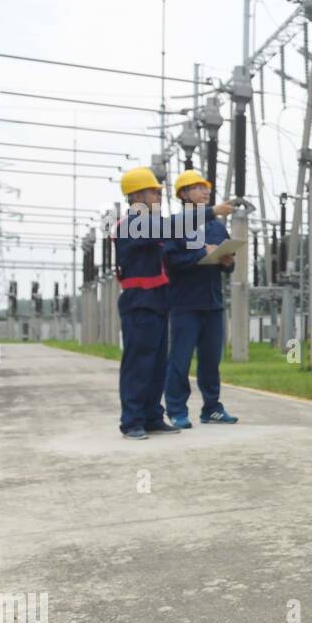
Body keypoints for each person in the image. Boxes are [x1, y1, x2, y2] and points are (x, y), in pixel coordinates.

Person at [162, 169, 239, 427]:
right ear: (184, 194)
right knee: (180, 360)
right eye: (197, 188)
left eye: (206, 188)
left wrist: (227, 262)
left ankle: (212, 408)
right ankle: (176, 410)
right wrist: (200, 254)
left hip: (212, 303)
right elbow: (171, 262)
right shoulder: (175, 225)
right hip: (185, 303)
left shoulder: (217, 227)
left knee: (210, 360)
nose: (205, 191)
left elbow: (228, 267)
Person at [114, 167, 181, 439]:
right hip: (139, 300)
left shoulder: (152, 225)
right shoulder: (131, 223)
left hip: (157, 299)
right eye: (154, 191)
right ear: (137, 194)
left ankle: (152, 415)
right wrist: (209, 213)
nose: (158, 196)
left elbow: (174, 245)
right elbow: (174, 228)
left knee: (156, 363)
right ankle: (131, 421)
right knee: (139, 363)